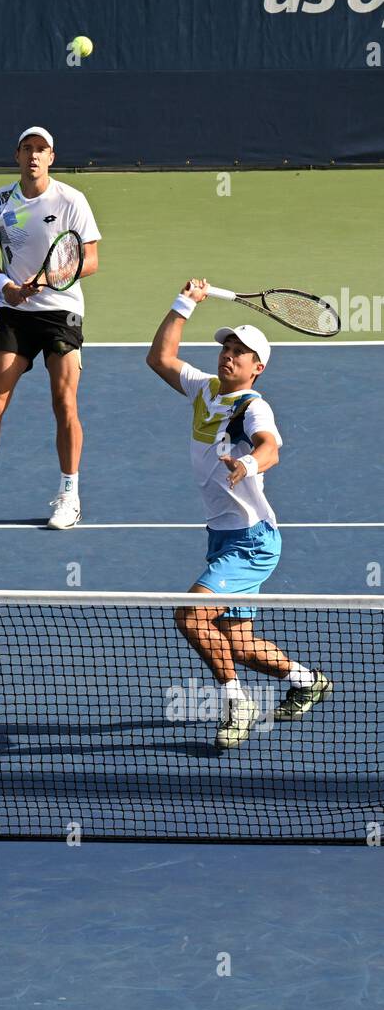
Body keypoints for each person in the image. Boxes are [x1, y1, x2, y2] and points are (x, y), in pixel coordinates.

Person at [146, 278, 332, 748]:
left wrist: (247, 462)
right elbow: (160, 359)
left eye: (241, 351)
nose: (229, 354)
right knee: (239, 645)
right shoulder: (205, 389)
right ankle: (308, 681)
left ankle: (235, 702)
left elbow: (270, 447)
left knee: (190, 615)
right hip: (224, 535)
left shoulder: (254, 406)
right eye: (227, 346)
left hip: (251, 540)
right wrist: (184, 302)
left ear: (257, 367)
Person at [0, 127, 102, 535]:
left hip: (60, 311)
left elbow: (90, 260)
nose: (34, 156)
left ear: (51, 157)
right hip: (14, 314)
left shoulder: (72, 201)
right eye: (27, 149)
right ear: (17, 156)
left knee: (64, 401)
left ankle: (69, 495)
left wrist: (50, 278)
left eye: (41, 150)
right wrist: (8, 287)